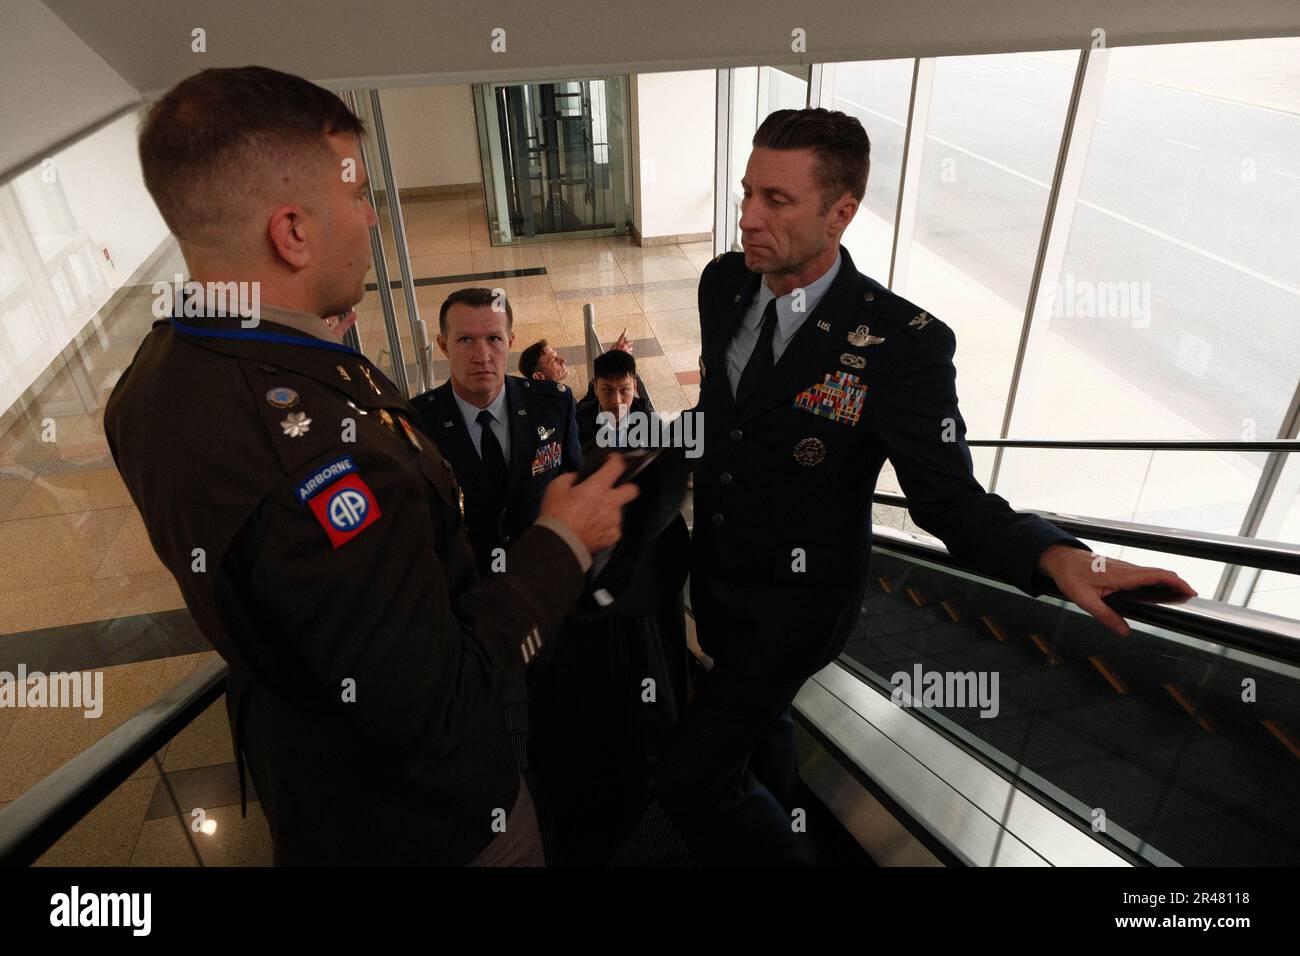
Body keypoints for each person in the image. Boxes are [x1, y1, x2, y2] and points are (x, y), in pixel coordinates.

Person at [103, 66, 637, 866]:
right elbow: (439, 701)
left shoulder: (153, 376)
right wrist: (561, 539)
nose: (376, 220)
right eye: (358, 195)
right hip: (429, 822)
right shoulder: (318, 453)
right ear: (292, 232)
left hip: (307, 772)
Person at [654, 107, 1197, 866]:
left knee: (689, 780)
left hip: (796, 609)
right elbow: (724, 414)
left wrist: (1059, 557)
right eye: (746, 193)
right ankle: (783, 808)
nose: (746, 218)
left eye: (775, 201)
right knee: (761, 726)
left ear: (841, 212)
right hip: (716, 580)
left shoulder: (901, 346)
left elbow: (949, 500)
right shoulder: (722, 284)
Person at [409, 289, 582, 575]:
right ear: (443, 345)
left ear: (510, 342)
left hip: (546, 585)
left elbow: (572, 494)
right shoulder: (417, 424)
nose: (482, 356)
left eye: (494, 339)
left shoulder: (554, 407)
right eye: (465, 340)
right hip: (466, 595)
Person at [519, 332, 654, 410]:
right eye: (554, 360)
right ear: (538, 376)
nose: (562, 360)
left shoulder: (537, 395)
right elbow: (583, 411)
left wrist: (612, 358)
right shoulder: (557, 402)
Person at [575, 347, 652, 447]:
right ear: (595, 389)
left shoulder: (649, 421)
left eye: (624, 390)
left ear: (634, 387)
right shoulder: (577, 421)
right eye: (608, 390)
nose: (616, 400)